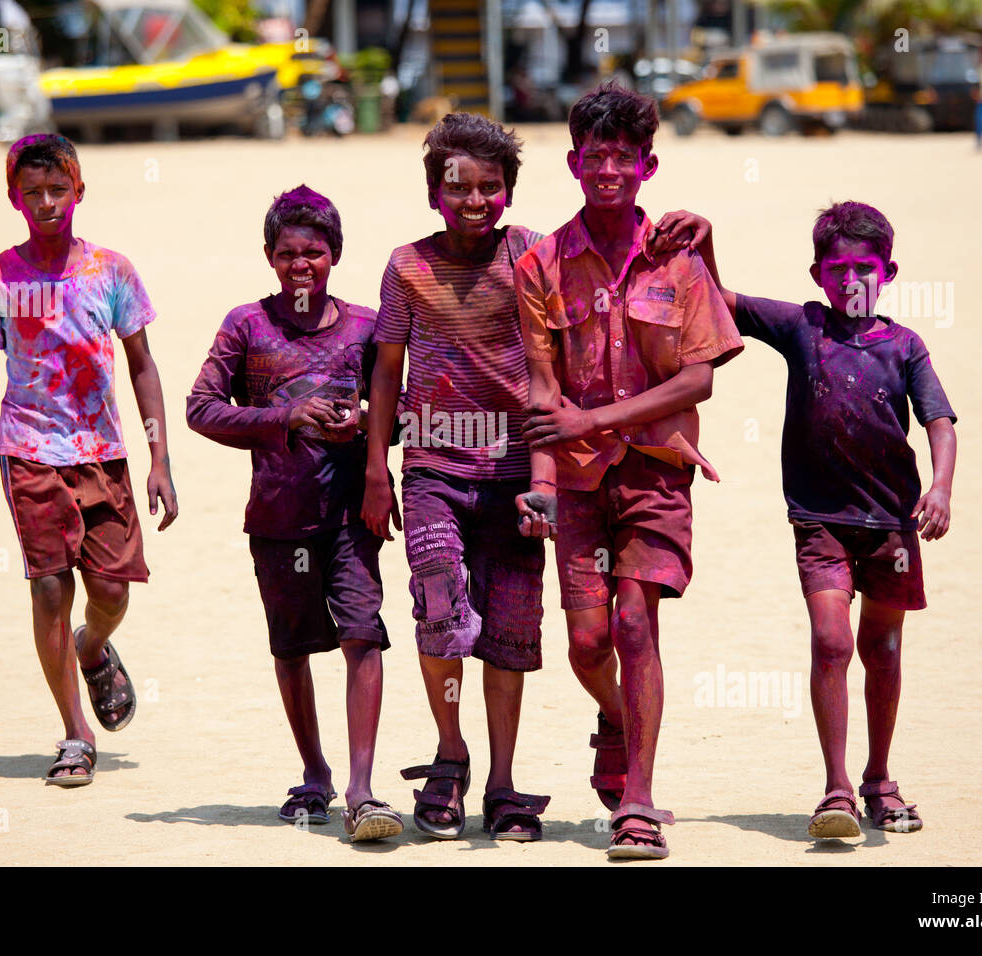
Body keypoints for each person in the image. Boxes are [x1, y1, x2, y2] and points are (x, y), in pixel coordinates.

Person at [660, 200, 958, 839]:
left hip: (893, 526)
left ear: (889, 271)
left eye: (866, 268)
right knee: (831, 641)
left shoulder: (906, 346)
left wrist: (940, 488)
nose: (852, 281)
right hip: (819, 520)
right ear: (819, 273)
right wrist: (707, 238)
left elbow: (939, 420)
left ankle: (880, 778)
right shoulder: (804, 327)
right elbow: (720, 297)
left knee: (882, 646)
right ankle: (838, 787)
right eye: (839, 269)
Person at [513, 83, 743, 860]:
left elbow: (699, 377)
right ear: (574, 163)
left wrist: (596, 420)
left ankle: (637, 801)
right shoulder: (542, 263)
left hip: (656, 470)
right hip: (576, 479)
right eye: (594, 156)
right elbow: (543, 386)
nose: (607, 168)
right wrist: (544, 477)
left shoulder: (677, 256)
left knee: (636, 621)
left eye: (623, 156)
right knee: (585, 642)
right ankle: (615, 718)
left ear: (646, 165)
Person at [0, 133, 179, 787]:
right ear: (14, 198)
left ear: (78, 190)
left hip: (102, 450)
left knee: (109, 590)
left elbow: (142, 364)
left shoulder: (111, 271)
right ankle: (76, 734)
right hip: (27, 448)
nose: (46, 203)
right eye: (33, 193)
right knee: (50, 585)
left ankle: (93, 645)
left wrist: (158, 456)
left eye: (58, 189)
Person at [186, 186, 402, 843]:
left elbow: (400, 414)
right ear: (268, 257)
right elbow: (200, 407)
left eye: (313, 252)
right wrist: (284, 416)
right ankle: (314, 773)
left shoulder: (367, 328)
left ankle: (362, 791)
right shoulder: (246, 326)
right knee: (292, 646)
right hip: (277, 518)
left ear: (335, 255)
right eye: (287, 254)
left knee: (362, 633)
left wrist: (363, 425)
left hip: (350, 518)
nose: (300, 264)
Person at [363, 113, 554, 841]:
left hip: (515, 474)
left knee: (508, 631)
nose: (474, 201)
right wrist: (377, 470)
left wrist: (545, 479)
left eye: (490, 188)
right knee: (438, 606)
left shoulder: (532, 258)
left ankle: (503, 783)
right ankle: (450, 755)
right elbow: (387, 374)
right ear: (434, 192)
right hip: (433, 468)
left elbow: (550, 369)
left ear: (508, 191)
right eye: (459, 188)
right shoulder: (406, 267)